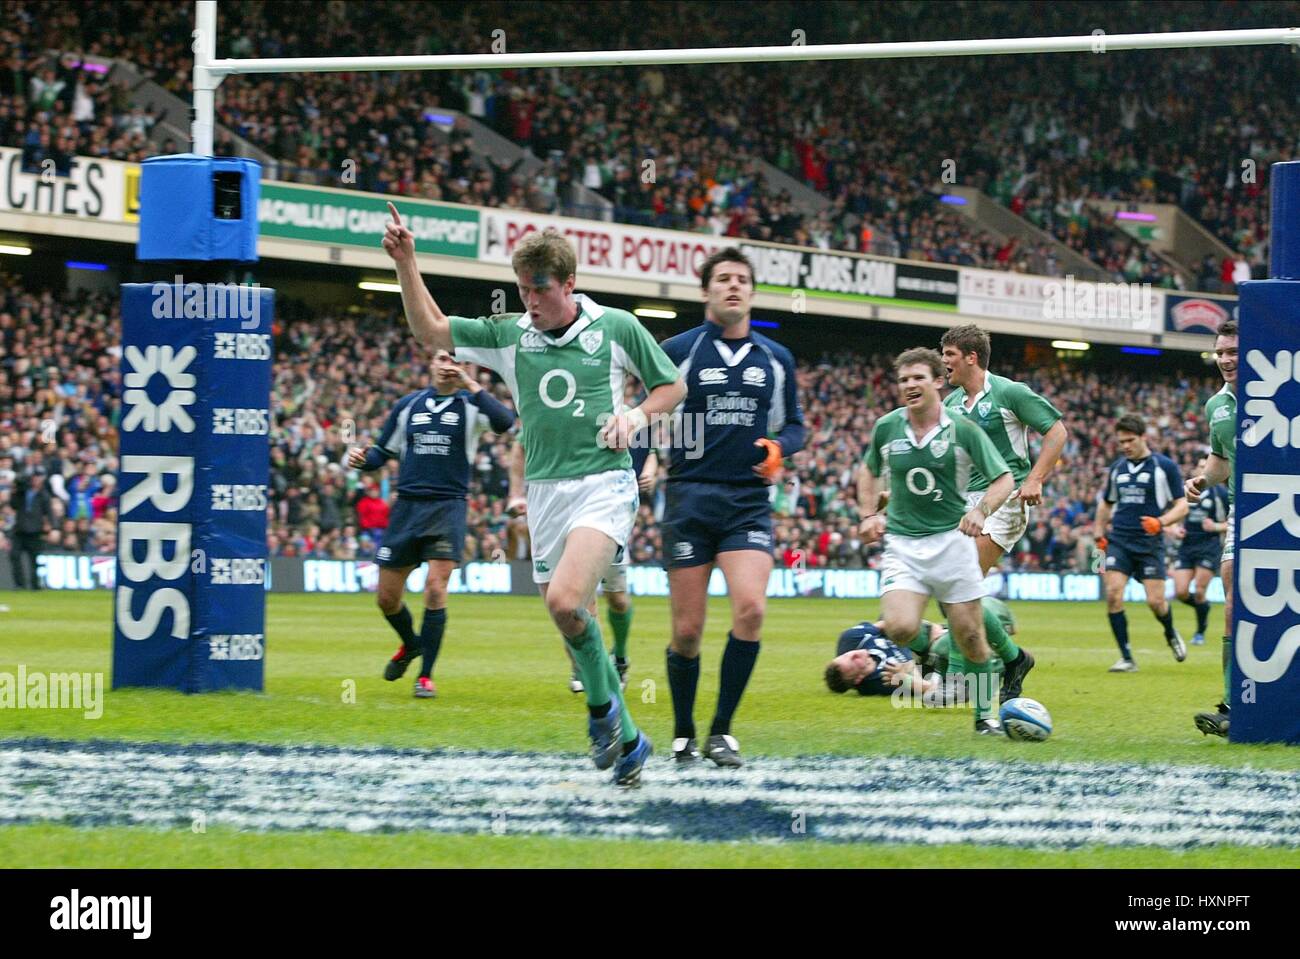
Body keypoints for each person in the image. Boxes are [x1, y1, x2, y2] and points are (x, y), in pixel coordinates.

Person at [383, 204, 685, 787]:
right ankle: (627, 739)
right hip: (546, 493)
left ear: (569, 283)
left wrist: (638, 418)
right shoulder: (511, 335)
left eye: (540, 290)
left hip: (604, 482)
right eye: (522, 290)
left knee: (566, 601)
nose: (530, 302)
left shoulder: (616, 327)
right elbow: (431, 330)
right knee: (573, 620)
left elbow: (673, 384)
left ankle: (601, 712)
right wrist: (406, 262)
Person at [658, 247, 806, 767]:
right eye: (722, 279)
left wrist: (779, 447)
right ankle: (682, 730)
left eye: (742, 279)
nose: (733, 287)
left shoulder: (775, 358)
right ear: (706, 291)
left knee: (751, 608)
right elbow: (647, 415)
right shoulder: (677, 350)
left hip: (747, 501)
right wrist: (643, 461)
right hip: (688, 497)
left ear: (752, 291)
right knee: (687, 630)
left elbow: (795, 426)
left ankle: (721, 731)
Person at [858, 347, 1015, 734]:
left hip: (952, 543)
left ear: (938, 382)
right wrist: (867, 515)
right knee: (898, 627)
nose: (910, 385)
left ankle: (984, 717)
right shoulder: (887, 427)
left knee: (973, 637)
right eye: (903, 380)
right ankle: (931, 669)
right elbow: (867, 470)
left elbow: (1004, 478)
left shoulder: (962, 429)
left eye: (918, 378)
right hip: (904, 545)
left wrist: (981, 511)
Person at [347, 349, 515, 698]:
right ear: (430, 363)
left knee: (436, 588)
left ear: (466, 367)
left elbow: (505, 422)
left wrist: (471, 384)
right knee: (386, 599)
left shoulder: (472, 405)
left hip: (448, 506)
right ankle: (410, 645)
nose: (447, 365)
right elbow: (383, 452)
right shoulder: (408, 405)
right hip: (408, 507)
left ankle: (425, 676)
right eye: (442, 358)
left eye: (456, 361)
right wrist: (362, 458)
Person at [940, 323, 1067, 700]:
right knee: (953, 589)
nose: (943, 362)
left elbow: (1057, 431)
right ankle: (1013, 659)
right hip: (966, 501)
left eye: (948, 355)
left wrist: (1036, 479)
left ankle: (957, 680)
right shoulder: (950, 405)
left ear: (971, 358)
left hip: (1006, 496)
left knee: (960, 583)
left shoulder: (1010, 393)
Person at [508, 429, 656, 693]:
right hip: (566, 507)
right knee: (577, 602)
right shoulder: (555, 407)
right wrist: (516, 493)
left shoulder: (624, 411)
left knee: (618, 600)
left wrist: (650, 470)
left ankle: (620, 656)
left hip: (609, 510)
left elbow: (652, 451)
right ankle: (585, 669)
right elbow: (520, 445)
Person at [1093, 414, 1189, 673]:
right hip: (1119, 540)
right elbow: (1106, 503)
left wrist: (1161, 522)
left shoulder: (1164, 466)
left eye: (1130, 440)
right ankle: (1126, 657)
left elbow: (1182, 506)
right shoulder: (1116, 468)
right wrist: (1097, 536)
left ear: (1144, 437)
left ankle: (1170, 632)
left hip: (1149, 543)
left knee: (1156, 602)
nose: (1125, 446)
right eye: (1121, 441)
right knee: (1112, 594)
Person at [1183, 320, 1238, 737]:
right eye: (1220, 352)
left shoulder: (1285, 392)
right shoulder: (1216, 405)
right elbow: (1221, 459)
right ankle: (1234, 701)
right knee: (1232, 586)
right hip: (1245, 507)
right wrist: (1203, 479)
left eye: (1233, 351)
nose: (1225, 359)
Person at [825, 597, 1014, 699]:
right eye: (854, 661)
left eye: (848, 655)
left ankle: (991, 637)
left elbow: (886, 623)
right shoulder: (881, 682)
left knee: (897, 618)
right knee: (947, 644)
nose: (854, 654)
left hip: (921, 641)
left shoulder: (849, 640)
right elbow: (931, 689)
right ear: (859, 679)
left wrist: (930, 627)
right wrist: (908, 678)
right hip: (934, 660)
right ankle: (997, 654)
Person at [1172, 456, 1229, 647]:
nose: (1204, 470)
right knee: (1180, 592)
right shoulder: (1185, 492)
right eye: (1201, 466)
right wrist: (1175, 529)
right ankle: (1204, 608)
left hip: (1208, 546)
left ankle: (1199, 632)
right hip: (1187, 546)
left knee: (1198, 590)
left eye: (1208, 467)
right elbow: (1174, 516)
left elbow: (1234, 522)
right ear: (1196, 470)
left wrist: (1215, 527)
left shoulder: (1220, 493)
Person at [11, 468, 52, 590]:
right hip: (20, 530)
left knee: (34, 560)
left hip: (35, 531)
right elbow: (13, 504)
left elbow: (49, 512)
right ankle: (20, 584)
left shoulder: (44, 495)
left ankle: (35, 584)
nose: (36, 480)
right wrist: (16, 489)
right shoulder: (23, 492)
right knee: (14, 555)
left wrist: (53, 527)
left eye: (38, 477)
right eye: (34, 477)